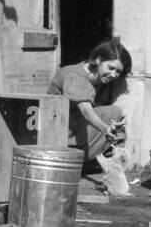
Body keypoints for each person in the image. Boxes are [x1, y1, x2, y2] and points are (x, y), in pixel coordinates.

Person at [47, 38, 132, 167]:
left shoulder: (99, 77)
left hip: (69, 124)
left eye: (118, 72)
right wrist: (105, 128)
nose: (114, 75)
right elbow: (86, 111)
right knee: (113, 112)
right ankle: (63, 160)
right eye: (111, 68)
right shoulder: (75, 76)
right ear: (98, 60)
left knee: (116, 115)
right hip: (53, 130)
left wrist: (120, 119)